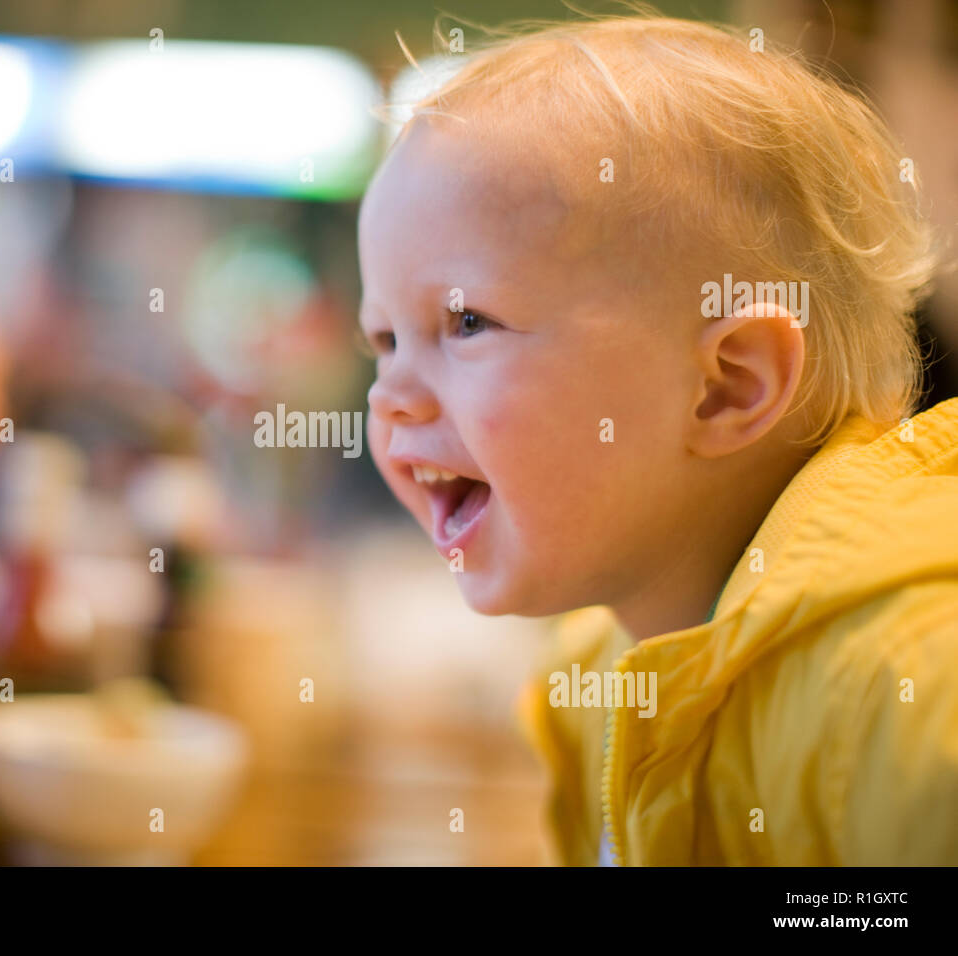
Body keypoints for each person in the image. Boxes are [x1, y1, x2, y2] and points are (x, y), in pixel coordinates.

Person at [356, 13, 958, 864]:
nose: (391, 398)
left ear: (727, 387)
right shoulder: (597, 669)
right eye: (383, 339)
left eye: (465, 322)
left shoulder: (912, 678)